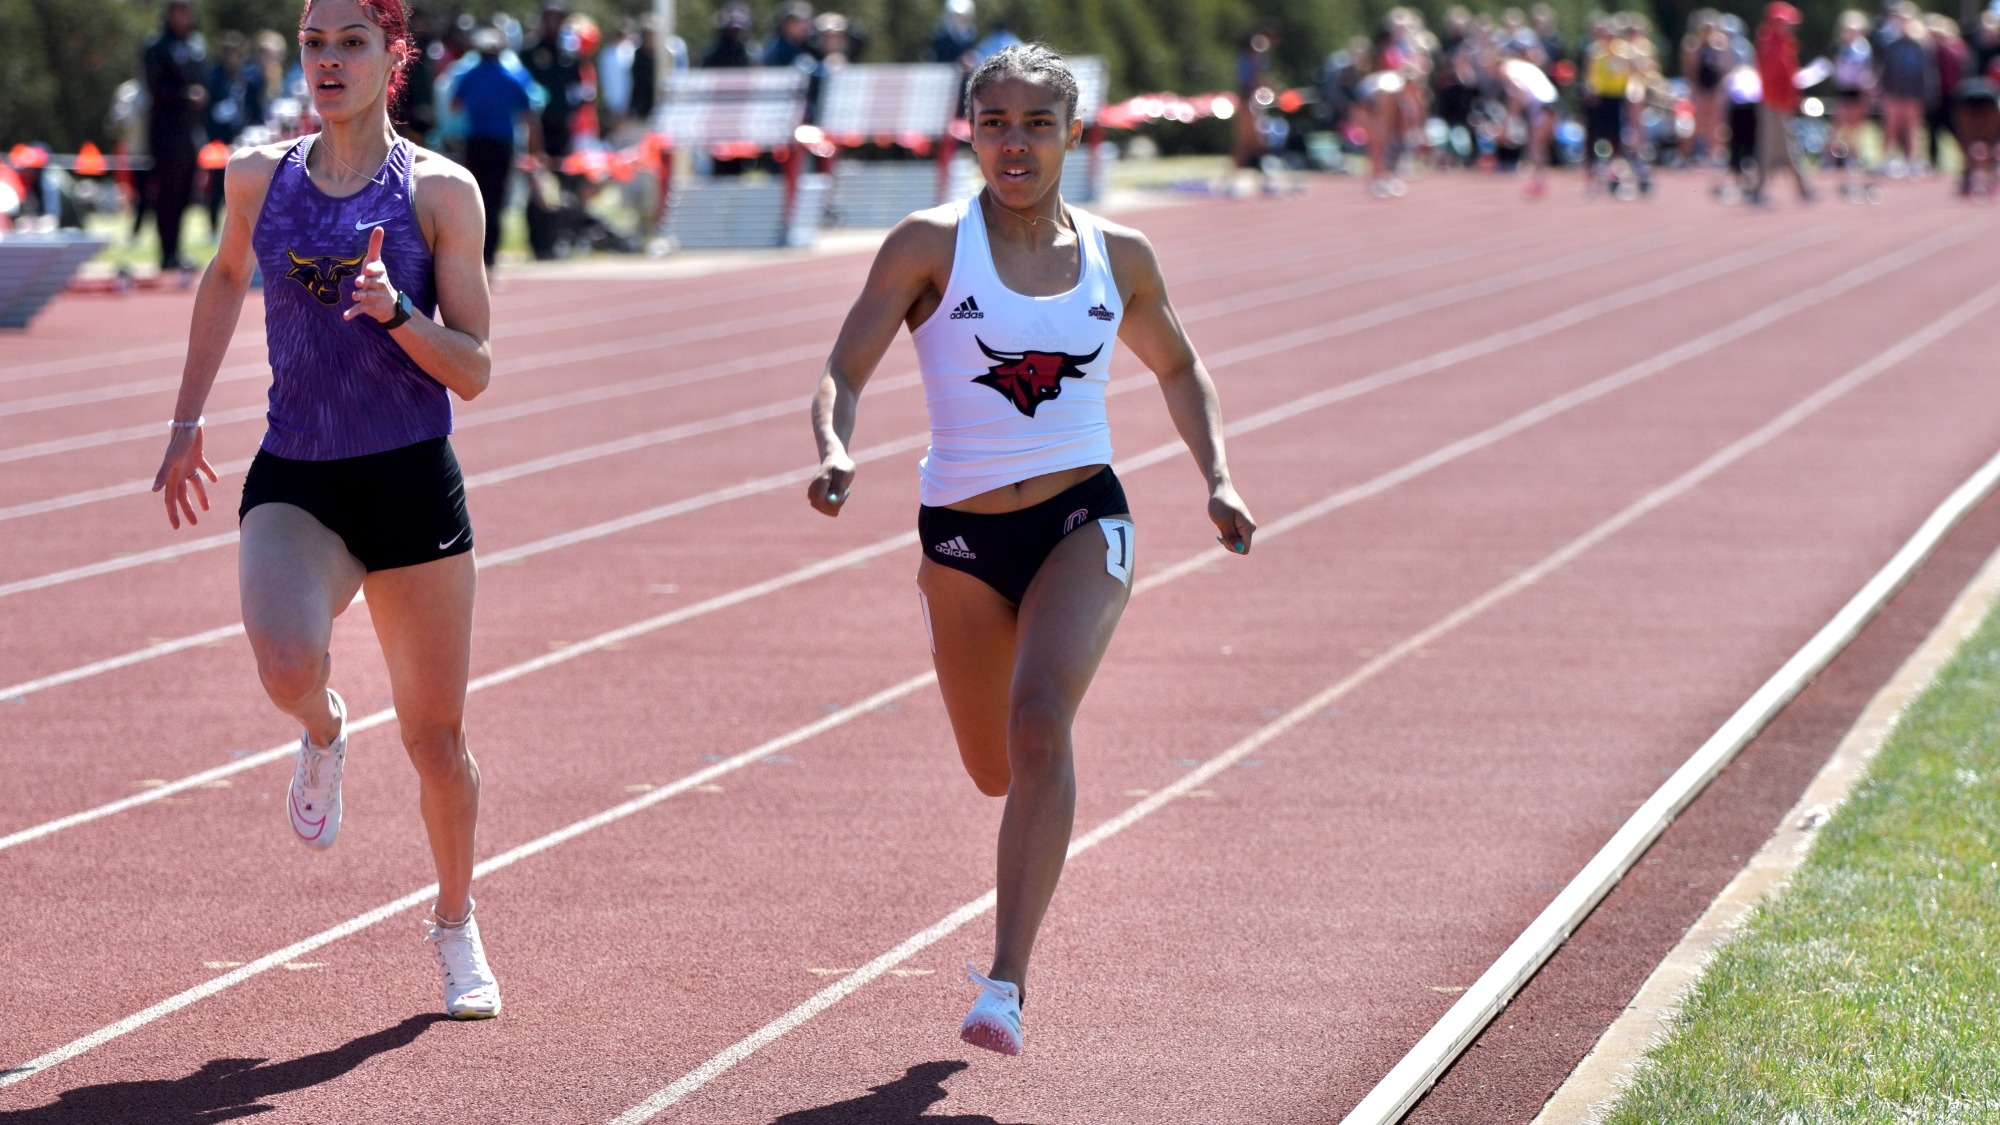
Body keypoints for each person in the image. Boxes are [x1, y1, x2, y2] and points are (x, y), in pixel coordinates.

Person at [806, 43, 1256, 1057]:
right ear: (970, 130)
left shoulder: (1119, 256)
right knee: (991, 767)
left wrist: (1215, 476)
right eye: (996, 122)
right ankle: (1015, 877)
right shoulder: (927, 245)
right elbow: (843, 364)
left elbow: (1180, 368)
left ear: (1072, 134)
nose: (1015, 143)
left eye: (1036, 124)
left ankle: (1005, 982)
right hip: (960, 538)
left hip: (1080, 518)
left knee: (1040, 728)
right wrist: (835, 444)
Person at [150, 0, 500, 1020]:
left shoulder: (441, 193)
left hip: (408, 481)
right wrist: (185, 420)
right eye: (314, 42)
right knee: (287, 662)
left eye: (351, 42)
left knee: (436, 741)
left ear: (395, 56)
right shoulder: (258, 177)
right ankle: (321, 728)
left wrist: (398, 315)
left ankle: (452, 921)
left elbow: (474, 370)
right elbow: (222, 279)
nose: (328, 61)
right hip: (297, 471)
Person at [452, 26, 542, 266]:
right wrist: (536, 149)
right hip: (502, 144)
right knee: (496, 201)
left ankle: (475, 255)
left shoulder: (468, 75)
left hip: (475, 143)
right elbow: (528, 113)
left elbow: (454, 104)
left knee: (474, 198)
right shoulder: (511, 77)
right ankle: (490, 258)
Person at [144, 0, 208, 273]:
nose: (183, 17)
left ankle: (178, 250)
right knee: (166, 193)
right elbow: (153, 85)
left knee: (185, 192)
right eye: (177, 11)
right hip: (165, 132)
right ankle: (165, 252)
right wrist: (185, 96)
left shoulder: (197, 45)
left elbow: (205, 80)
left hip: (190, 132)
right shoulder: (156, 45)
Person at [205, 32, 266, 236]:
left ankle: (244, 228)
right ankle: (213, 229)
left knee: (245, 183)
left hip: (243, 136)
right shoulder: (214, 76)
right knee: (216, 184)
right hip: (219, 138)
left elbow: (256, 103)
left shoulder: (250, 75)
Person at [1752, 1, 1813, 203]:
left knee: (1784, 147)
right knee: (1773, 147)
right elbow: (1774, 77)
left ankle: (1801, 188)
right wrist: (1787, 98)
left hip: (1780, 103)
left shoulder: (1783, 43)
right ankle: (1761, 190)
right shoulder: (1772, 44)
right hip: (1774, 103)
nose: (1790, 26)